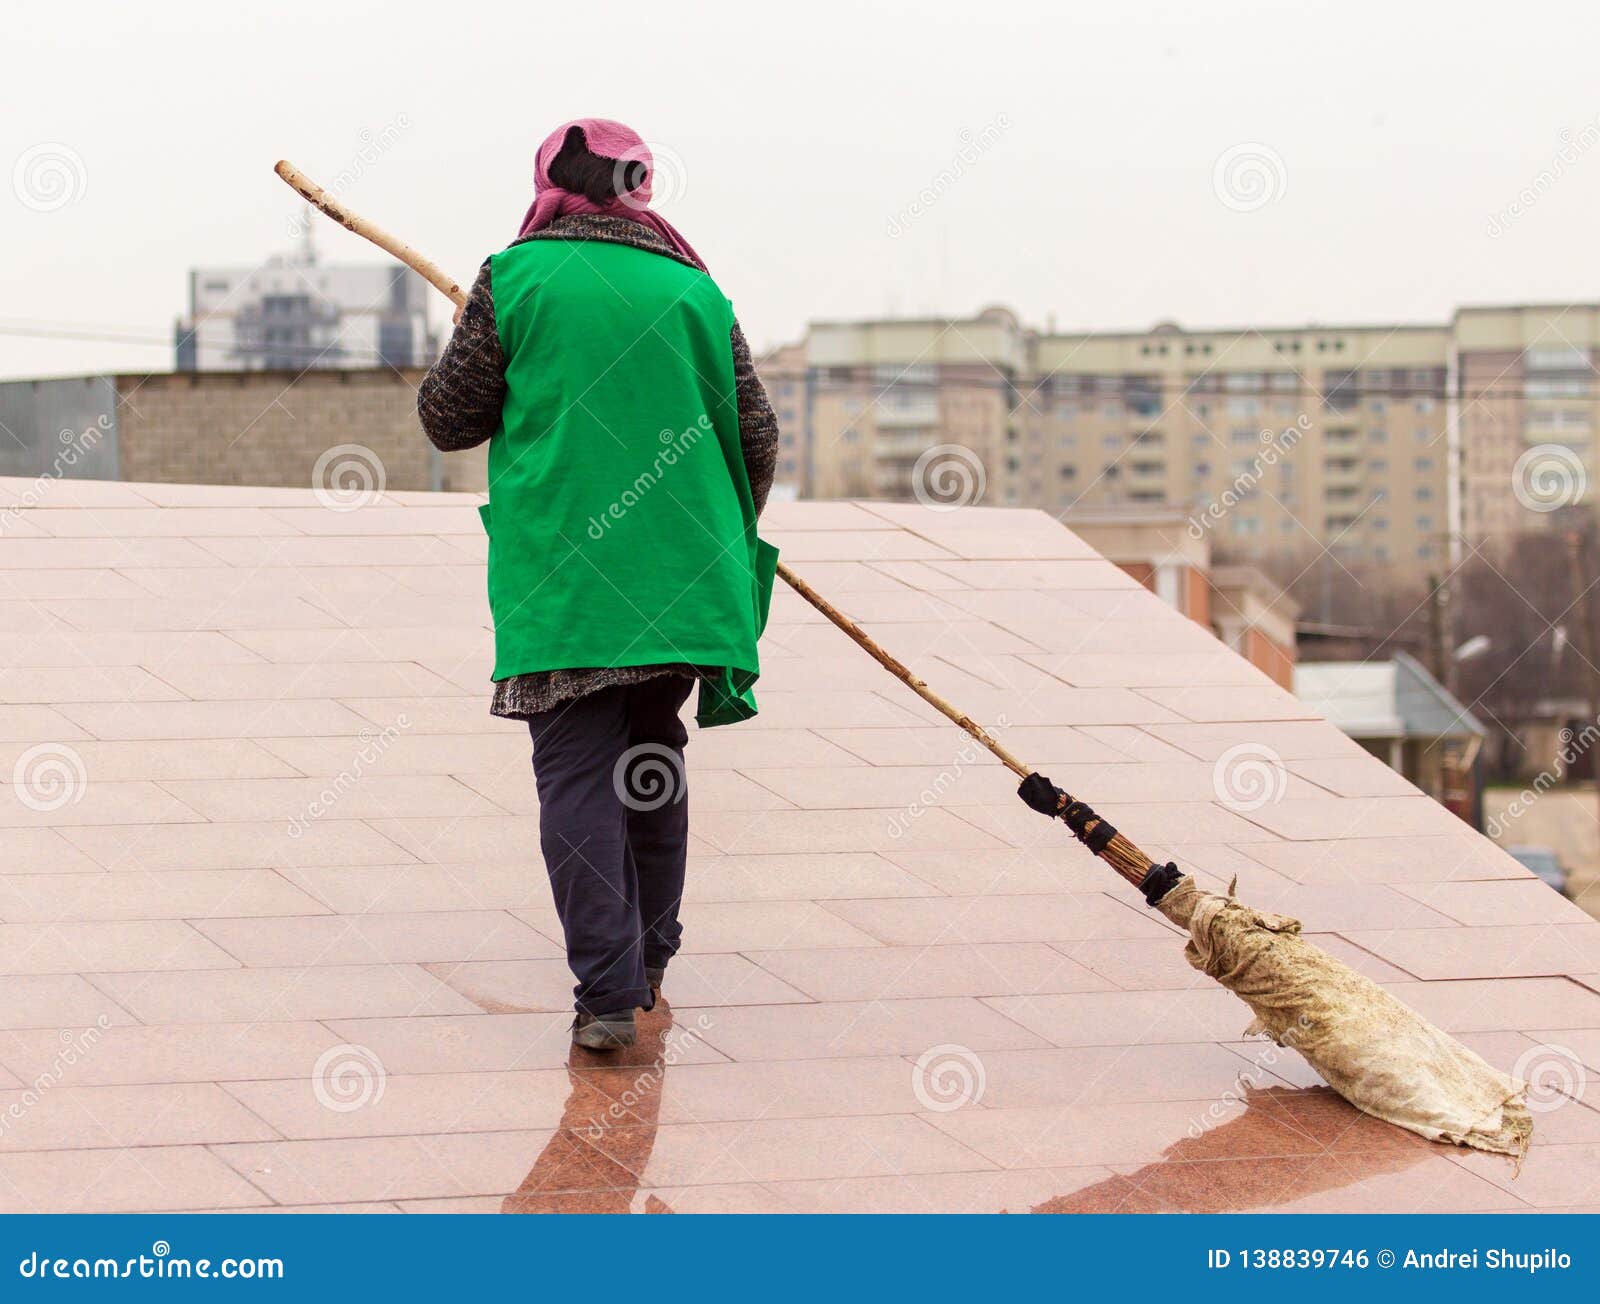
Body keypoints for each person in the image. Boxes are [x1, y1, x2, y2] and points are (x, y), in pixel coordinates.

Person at [418, 118, 779, 1051]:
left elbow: (448, 422)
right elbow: (758, 434)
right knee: (651, 759)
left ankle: (607, 995)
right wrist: (725, 530)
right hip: (684, 576)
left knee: (577, 771)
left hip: (567, 580)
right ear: (636, 186)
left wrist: (484, 331)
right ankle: (649, 961)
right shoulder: (696, 290)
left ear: (552, 182)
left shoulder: (516, 278)